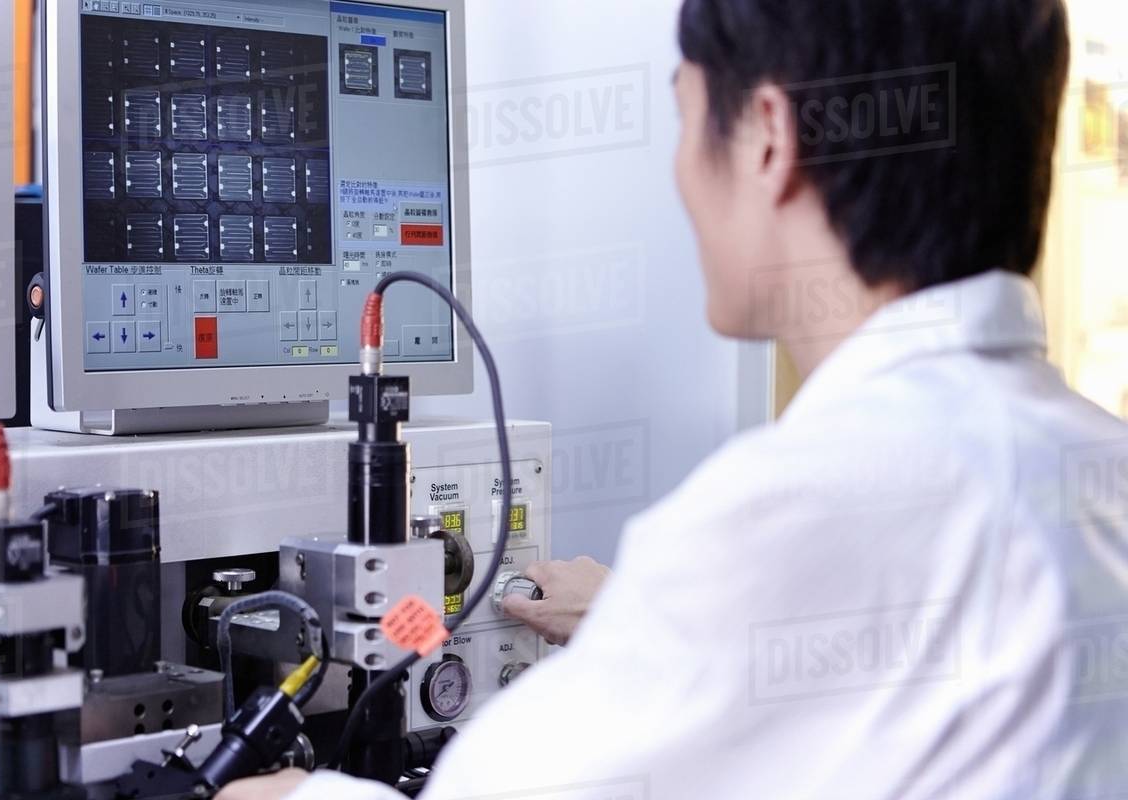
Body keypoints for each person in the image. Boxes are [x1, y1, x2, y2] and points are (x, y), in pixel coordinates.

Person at [224, 0, 1128, 798]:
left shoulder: (800, 510)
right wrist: (654, 625)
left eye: (685, 114)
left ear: (768, 137)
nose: (682, 172)